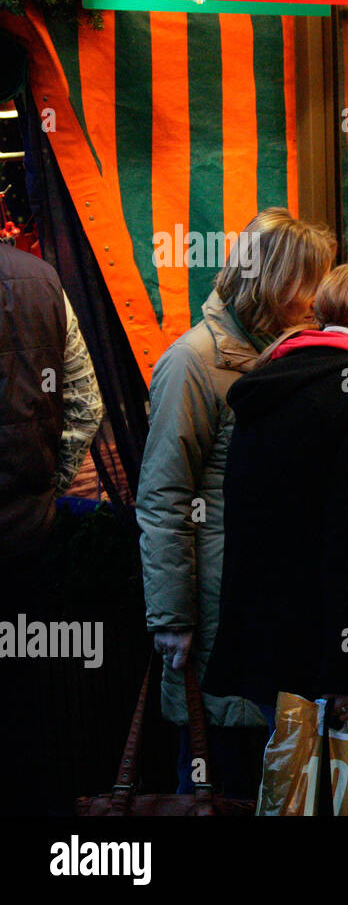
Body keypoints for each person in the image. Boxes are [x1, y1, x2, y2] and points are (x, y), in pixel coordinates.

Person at [137, 208, 334, 799]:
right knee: (216, 769)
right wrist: (172, 617)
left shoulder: (286, 354)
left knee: (270, 776)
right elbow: (164, 497)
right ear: (268, 279)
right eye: (307, 280)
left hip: (273, 606)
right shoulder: (192, 362)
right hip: (216, 604)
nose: (316, 296)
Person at [203, 263, 348, 732]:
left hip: (263, 629)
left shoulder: (276, 371)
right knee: (331, 791)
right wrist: (347, 663)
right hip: (321, 642)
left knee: (285, 781)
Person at [0, 243, 103, 816]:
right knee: (26, 709)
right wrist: (49, 485)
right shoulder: (40, 280)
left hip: (28, 528)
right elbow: (86, 405)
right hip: (27, 541)